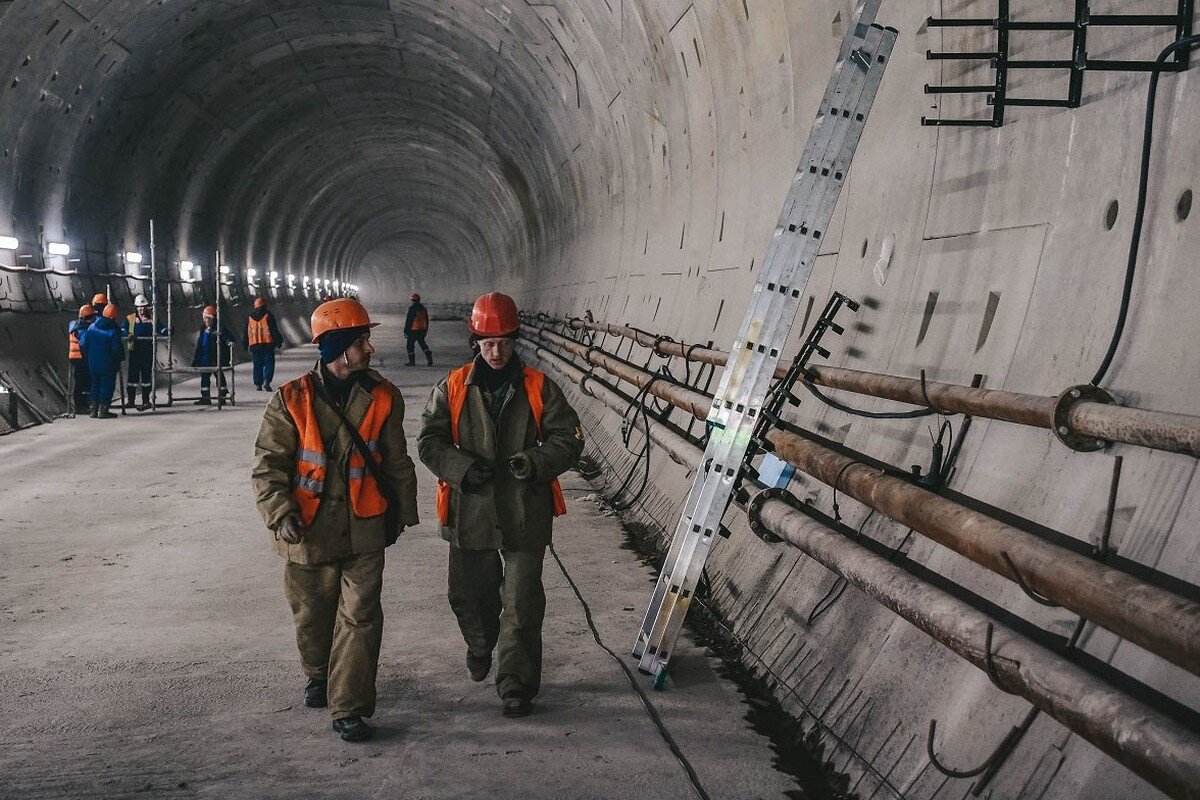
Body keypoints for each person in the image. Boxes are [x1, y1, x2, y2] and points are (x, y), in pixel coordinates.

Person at [251, 298, 420, 743]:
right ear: (339, 349)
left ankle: (349, 707)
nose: (370, 348)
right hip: (307, 528)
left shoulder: (383, 395)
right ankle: (317, 672)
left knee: (361, 615)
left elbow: (396, 460)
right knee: (312, 614)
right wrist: (279, 512)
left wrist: (404, 512)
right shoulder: (291, 400)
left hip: (366, 523)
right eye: (362, 340)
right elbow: (269, 465)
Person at [418, 292, 583, 718]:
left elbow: (569, 439)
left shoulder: (539, 387)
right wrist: (461, 468)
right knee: (469, 597)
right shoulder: (453, 387)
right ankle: (479, 643)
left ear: (515, 340)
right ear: (476, 341)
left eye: (504, 342)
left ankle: (515, 684)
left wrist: (535, 461)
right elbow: (429, 441)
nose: (496, 351)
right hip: (469, 509)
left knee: (522, 601)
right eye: (488, 343)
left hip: (524, 509)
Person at [78, 303, 124, 419]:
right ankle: (103, 410)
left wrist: (88, 357)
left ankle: (93, 410)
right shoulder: (113, 330)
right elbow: (116, 349)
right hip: (108, 365)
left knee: (94, 385)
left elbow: (84, 344)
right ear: (113, 317)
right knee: (107, 387)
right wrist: (121, 358)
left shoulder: (92, 327)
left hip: (93, 364)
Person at [124, 294, 168, 411]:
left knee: (146, 378)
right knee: (132, 378)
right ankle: (131, 400)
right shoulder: (130, 318)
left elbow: (161, 329)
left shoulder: (153, 319)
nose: (142, 309)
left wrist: (168, 331)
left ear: (147, 307)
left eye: (144, 307)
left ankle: (146, 400)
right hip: (135, 351)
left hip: (148, 352)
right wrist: (127, 334)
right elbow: (123, 330)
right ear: (136, 307)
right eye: (139, 307)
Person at [192, 305, 235, 406]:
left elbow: (228, 336)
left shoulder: (219, 328)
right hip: (204, 358)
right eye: (205, 318)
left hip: (216, 358)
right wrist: (196, 360)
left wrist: (229, 342)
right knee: (205, 379)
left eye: (208, 318)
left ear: (213, 318)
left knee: (220, 377)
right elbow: (199, 345)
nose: (206, 320)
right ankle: (206, 397)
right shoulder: (203, 329)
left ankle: (222, 396)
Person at [243, 297, 284, 392]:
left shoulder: (250, 317)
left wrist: (245, 344)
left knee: (257, 365)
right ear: (264, 306)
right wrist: (279, 341)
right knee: (269, 364)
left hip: (255, 346)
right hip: (268, 345)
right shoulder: (268, 316)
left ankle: (258, 384)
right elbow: (274, 330)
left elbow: (246, 332)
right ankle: (267, 382)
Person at [68, 305, 96, 414]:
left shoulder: (74, 325)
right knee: (84, 383)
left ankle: (80, 406)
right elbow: (84, 344)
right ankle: (82, 406)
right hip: (82, 359)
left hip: (75, 358)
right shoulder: (83, 329)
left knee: (79, 382)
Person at [404, 292, 433, 367]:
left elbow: (409, 320)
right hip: (422, 329)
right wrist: (425, 330)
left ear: (413, 300)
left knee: (410, 346)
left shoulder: (412, 309)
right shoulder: (423, 309)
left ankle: (412, 361)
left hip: (413, 330)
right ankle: (429, 358)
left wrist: (406, 330)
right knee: (423, 344)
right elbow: (426, 320)